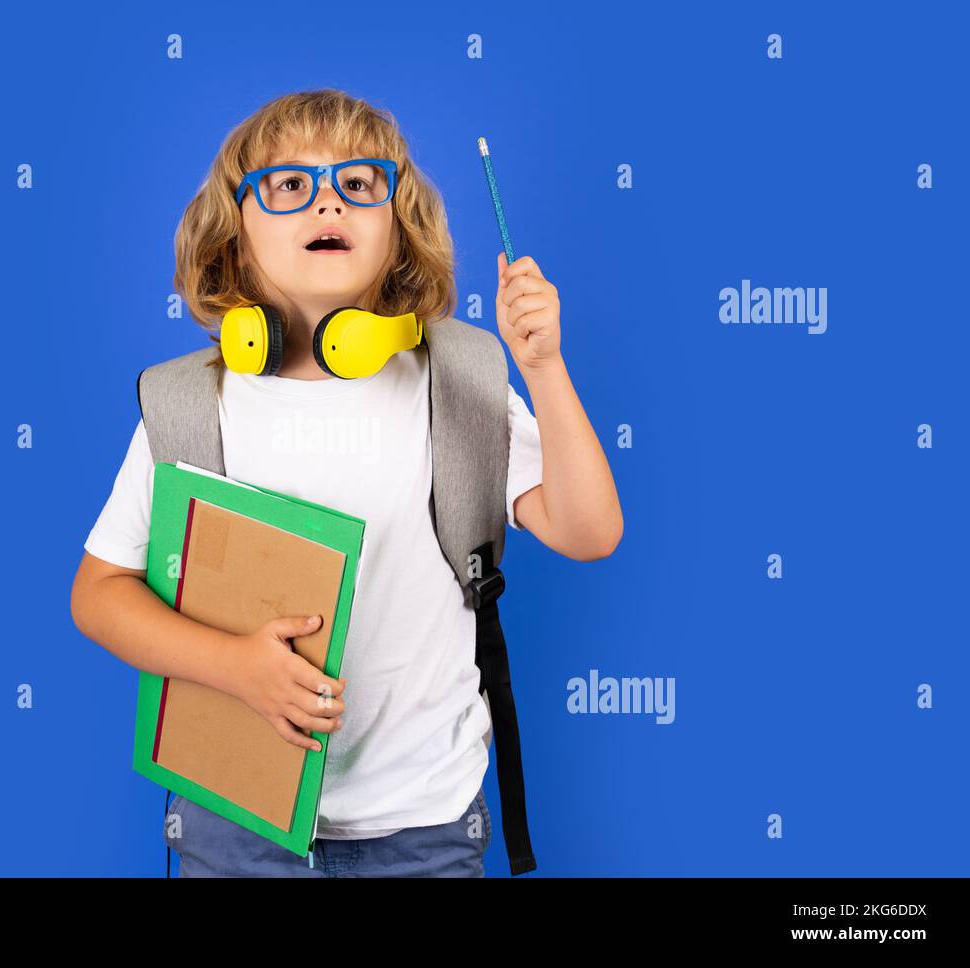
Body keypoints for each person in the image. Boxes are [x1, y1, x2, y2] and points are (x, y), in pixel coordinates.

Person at [69, 89, 623, 877]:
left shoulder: (456, 381)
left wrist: (544, 368)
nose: (327, 198)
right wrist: (233, 668)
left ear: (399, 233)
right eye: (290, 185)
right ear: (235, 237)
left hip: (423, 826)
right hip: (234, 825)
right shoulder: (192, 401)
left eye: (359, 184)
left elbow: (591, 531)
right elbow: (98, 592)